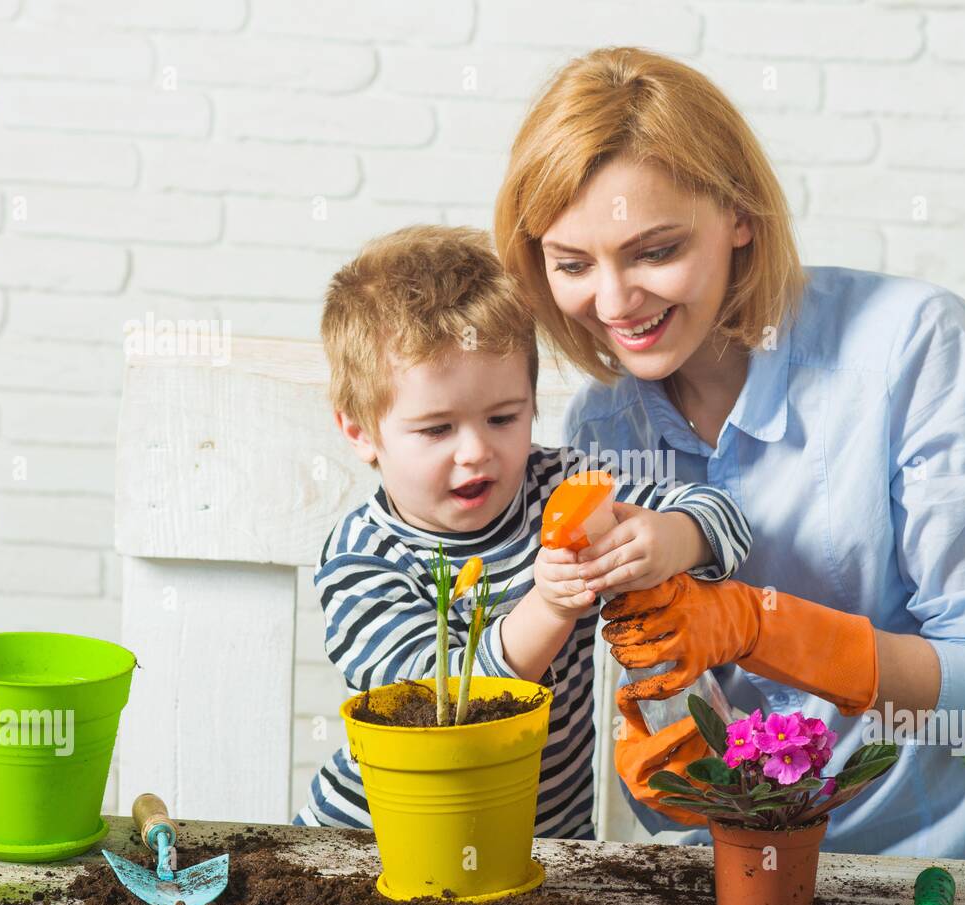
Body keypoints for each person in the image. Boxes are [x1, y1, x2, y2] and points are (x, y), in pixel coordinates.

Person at [493, 47, 965, 862]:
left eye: (654, 251)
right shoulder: (606, 424)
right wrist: (674, 742)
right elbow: (665, 673)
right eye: (573, 264)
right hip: (770, 866)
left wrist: (760, 626)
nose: (613, 302)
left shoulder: (915, 348)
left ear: (739, 214)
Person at [293, 224, 752, 837]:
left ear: (533, 403)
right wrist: (550, 607)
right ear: (360, 432)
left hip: (548, 844)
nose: (476, 451)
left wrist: (673, 538)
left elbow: (722, 513)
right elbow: (439, 708)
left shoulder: (561, 488)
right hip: (382, 840)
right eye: (437, 429)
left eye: (503, 418)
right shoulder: (363, 559)